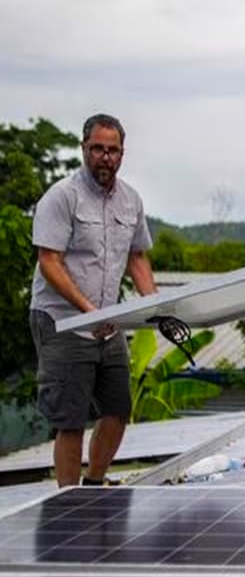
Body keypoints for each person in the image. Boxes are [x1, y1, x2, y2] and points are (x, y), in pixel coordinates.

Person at [29, 113, 157, 487]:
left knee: (117, 410)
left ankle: (95, 486)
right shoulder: (62, 197)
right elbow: (49, 261)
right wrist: (89, 310)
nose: (105, 157)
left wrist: (155, 306)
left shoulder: (131, 201)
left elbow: (137, 258)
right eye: (98, 149)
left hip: (107, 321)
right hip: (61, 319)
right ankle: (69, 503)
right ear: (84, 149)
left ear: (122, 153)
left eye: (112, 150)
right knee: (69, 420)